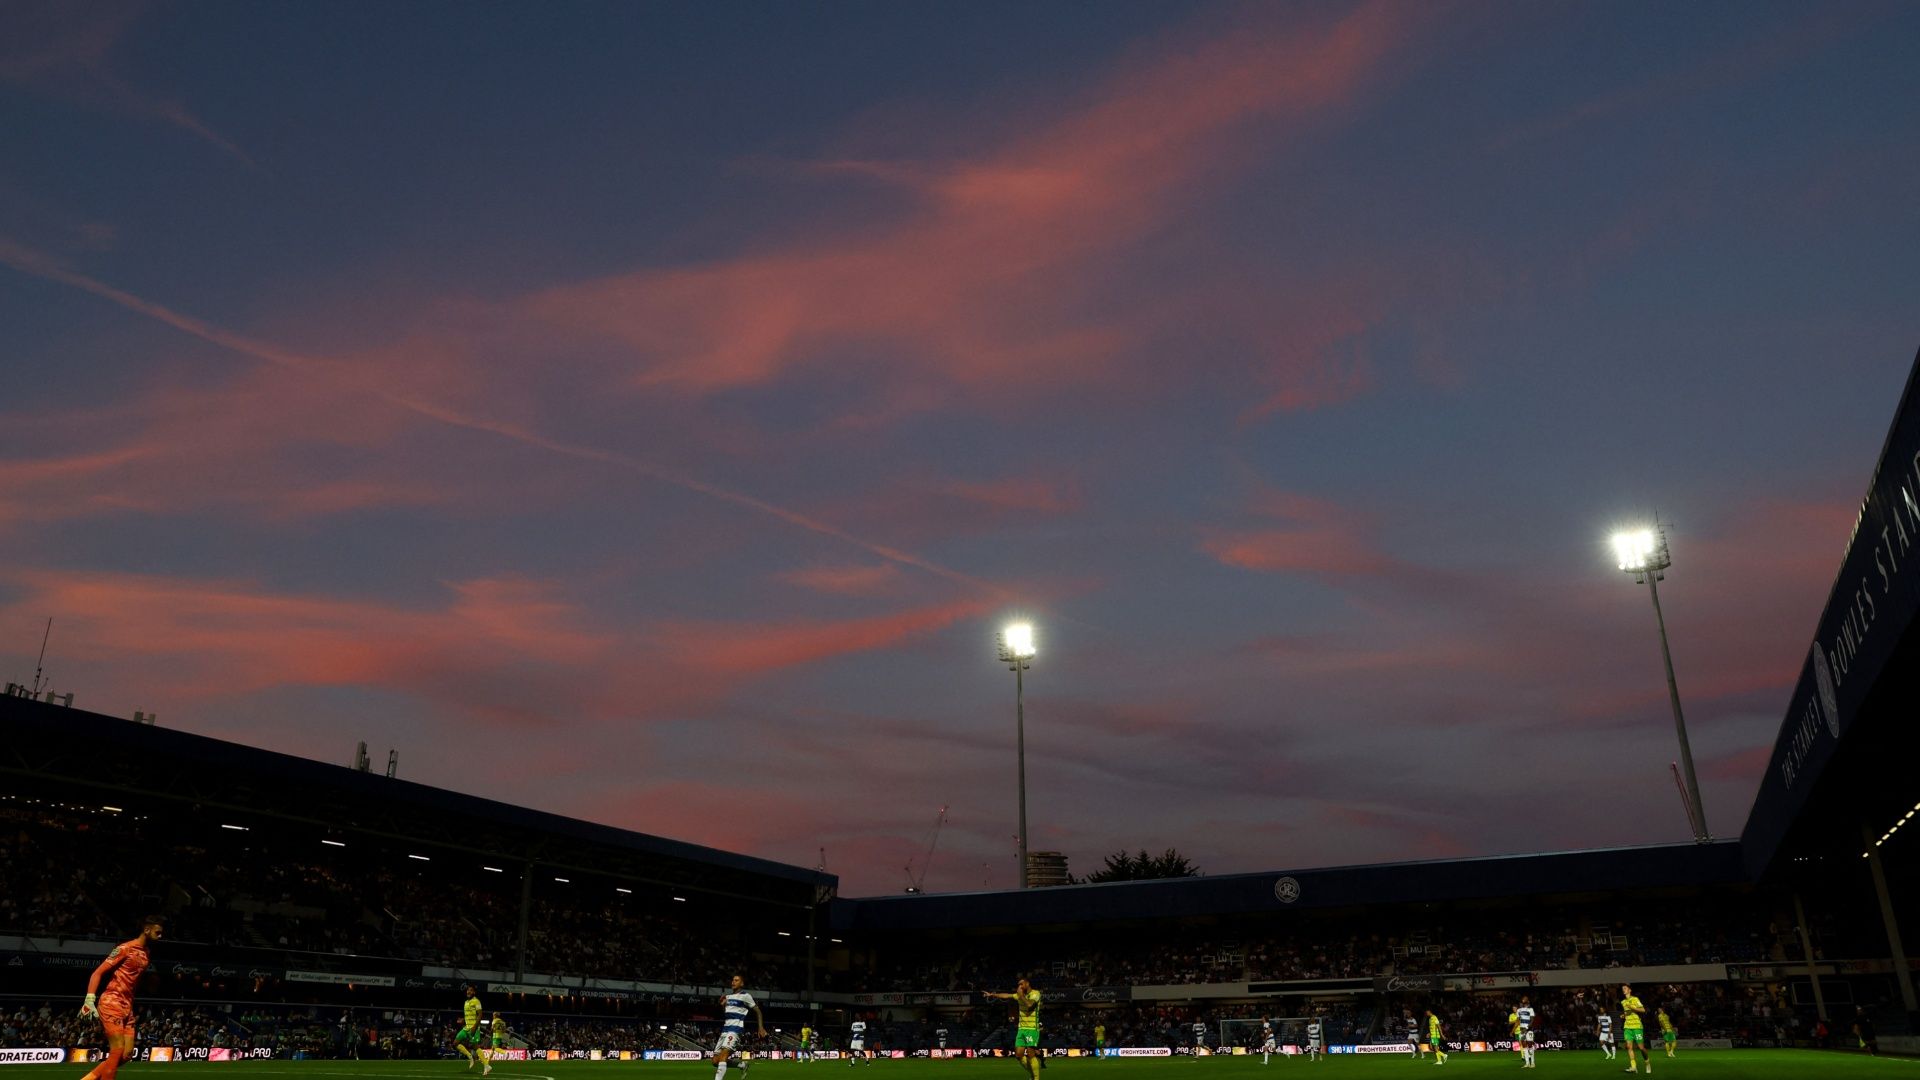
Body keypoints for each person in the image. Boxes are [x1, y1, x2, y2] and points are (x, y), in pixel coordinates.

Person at [77, 916, 163, 1080]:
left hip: (127, 1005)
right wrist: (89, 999)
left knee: (126, 1054)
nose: (160, 936)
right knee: (116, 1051)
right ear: (146, 930)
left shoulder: (146, 953)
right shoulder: (125, 948)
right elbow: (98, 973)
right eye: (157, 932)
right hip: (112, 1001)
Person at [985, 978, 1042, 1080]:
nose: (1020, 986)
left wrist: (1020, 996)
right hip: (1021, 1029)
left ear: (1027, 983)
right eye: (1019, 984)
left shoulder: (1035, 994)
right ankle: (1033, 1075)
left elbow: (1029, 1005)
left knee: (1030, 1054)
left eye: (1022, 984)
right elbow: (1007, 995)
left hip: (1032, 1028)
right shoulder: (1019, 995)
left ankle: (1036, 1078)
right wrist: (993, 995)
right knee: (1019, 1055)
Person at [713, 975, 767, 1080]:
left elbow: (758, 1010)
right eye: (732, 980)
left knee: (724, 1056)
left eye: (736, 980)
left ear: (742, 984)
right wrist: (723, 1006)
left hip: (736, 1029)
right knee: (715, 1061)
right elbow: (727, 1014)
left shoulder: (745, 996)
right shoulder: (728, 997)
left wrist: (760, 1027)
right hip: (725, 1029)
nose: (733, 982)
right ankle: (742, 1065)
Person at [454, 986, 486, 1073]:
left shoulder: (476, 1001)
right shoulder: (466, 1002)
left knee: (475, 1046)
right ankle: (470, 1057)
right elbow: (468, 1015)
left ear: (474, 992)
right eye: (468, 990)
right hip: (466, 1027)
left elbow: (480, 1015)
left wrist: (475, 1027)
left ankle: (486, 1065)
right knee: (455, 1043)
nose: (468, 991)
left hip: (473, 1027)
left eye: (471, 990)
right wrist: (462, 1020)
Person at [1620, 984, 1649, 1075]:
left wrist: (1633, 1007)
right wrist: (1623, 1015)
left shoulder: (1635, 999)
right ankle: (1633, 1067)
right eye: (1622, 989)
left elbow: (1643, 1010)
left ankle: (1647, 1063)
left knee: (1641, 1048)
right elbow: (1626, 1012)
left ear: (1630, 990)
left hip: (1637, 1026)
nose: (1623, 990)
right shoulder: (1623, 1002)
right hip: (1627, 1026)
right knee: (1629, 1047)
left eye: (1625, 988)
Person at [1509, 996, 1535, 1069]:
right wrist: (1512, 1031)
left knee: (1530, 1046)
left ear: (1528, 1000)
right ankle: (1527, 1063)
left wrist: (1526, 1028)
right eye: (1523, 998)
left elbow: (1532, 1020)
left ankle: (1532, 1063)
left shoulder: (1530, 1009)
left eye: (1525, 998)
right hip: (1522, 1030)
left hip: (1529, 1030)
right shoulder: (1519, 1010)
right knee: (1524, 1047)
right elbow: (1517, 1021)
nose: (1523, 999)